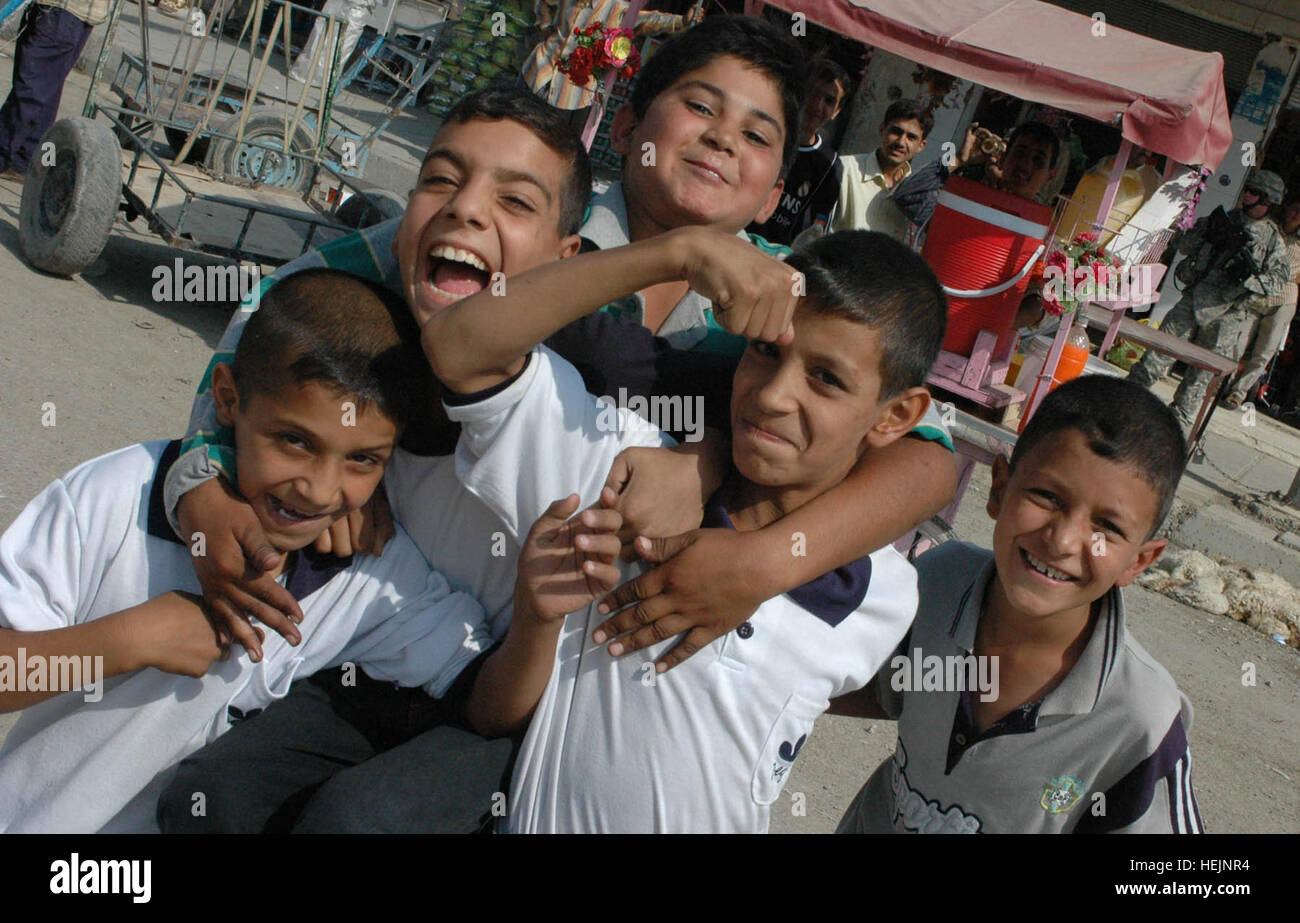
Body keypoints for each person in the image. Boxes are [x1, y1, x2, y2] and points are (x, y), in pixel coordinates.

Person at [422, 229, 947, 832]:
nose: (773, 395)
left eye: (826, 378)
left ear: (897, 415)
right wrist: (676, 252)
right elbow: (459, 345)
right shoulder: (623, 474)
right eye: (765, 351)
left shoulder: (884, 595)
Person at [0, 270, 504, 832]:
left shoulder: (367, 577)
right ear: (227, 398)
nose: (317, 488)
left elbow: (480, 687)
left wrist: (541, 610)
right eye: (294, 440)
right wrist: (129, 639)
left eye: (362, 459)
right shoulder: (115, 498)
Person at [836, 375, 1204, 833]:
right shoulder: (940, 582)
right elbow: (875, 684)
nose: (1064, 540)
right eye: (1047, 497)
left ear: (1140, 561)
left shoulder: (1138, 718)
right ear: (999, 487)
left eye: (1107, 526)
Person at [1128, 168, 1291, 432]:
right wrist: (1205, 236)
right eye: (1247, 189)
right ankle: (1125, 402)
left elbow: (1276, 284)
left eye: (1254, 192)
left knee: (1198, 380)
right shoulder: (1223, 219)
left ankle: (1176, 430)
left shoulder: (1273, 241)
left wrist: (1245, 278)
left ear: (1268, 200)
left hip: (1228, 314)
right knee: (1155, 358)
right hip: (1193, 298)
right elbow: (1183, 246)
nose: (1246, 195)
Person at [522, 0, 701, 113]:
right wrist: (544, 25)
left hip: (571, 93)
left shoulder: (617, 8)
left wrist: (683, 21)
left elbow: (651, 20)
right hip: (538, 71)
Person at [746, 55, 849, 246]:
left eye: (828, 100)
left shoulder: (830, 166)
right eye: (812, 92)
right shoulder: (759, 133)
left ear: (837, 111)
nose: (817, 106)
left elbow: (815, 230)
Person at [0, 0, 107, 182]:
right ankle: (25, 160)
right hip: (76, 15)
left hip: (61, 13)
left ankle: (6, 154)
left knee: (32, 90)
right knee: (47, 87)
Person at [1225, 194, 1300, 408]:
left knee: (1265, 350)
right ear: (1286, 208)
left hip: (1284, 299)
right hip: (1258, 292)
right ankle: (1223, 384)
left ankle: (1238, 393)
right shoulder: (1268, 227)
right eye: (1294, 209)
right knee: (1238, 342)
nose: (1296, 215)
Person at [829, 98, 930, 240]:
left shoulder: (917, 193)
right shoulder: (845, 169)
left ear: (921, 145)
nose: (901, 142)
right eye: (896, 131)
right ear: (882, 130)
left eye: (911, 137)